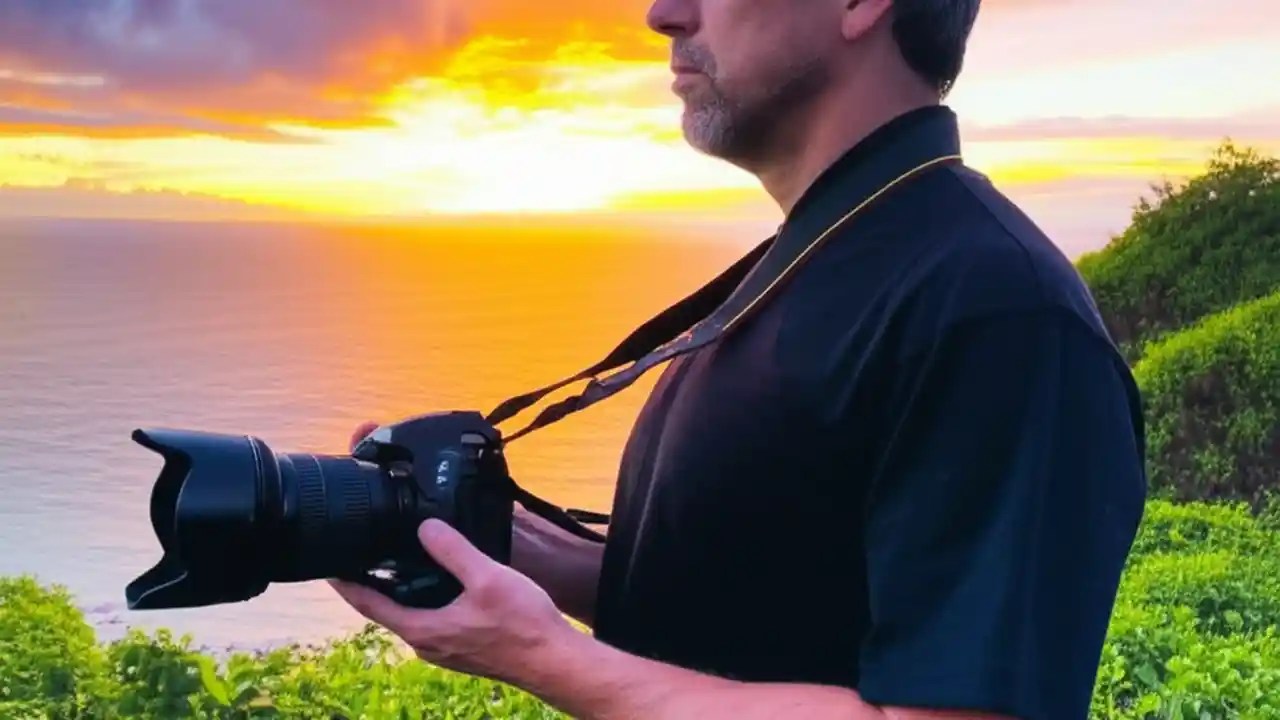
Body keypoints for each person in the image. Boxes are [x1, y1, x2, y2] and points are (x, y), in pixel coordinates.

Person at [329, 0, 1148, 717]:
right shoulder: (822, 259)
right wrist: (527, 555)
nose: (663, 14)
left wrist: (544, 657)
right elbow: (764, 600)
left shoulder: (997, 311)